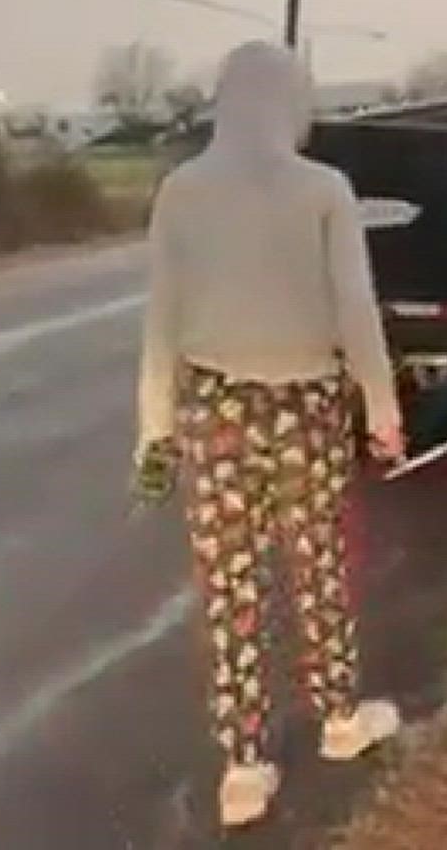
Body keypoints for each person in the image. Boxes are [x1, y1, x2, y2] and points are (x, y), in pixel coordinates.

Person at [134, 41, 405, 829]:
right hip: (306, 404)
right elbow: (356, 310)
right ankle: (339, 718)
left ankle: (245, 766)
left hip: (213, 407)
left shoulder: (181, 191)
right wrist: (382, 411)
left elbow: (162, 320)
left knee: (231, 584)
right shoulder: (323, 189)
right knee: (317, 564)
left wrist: (155, 431)